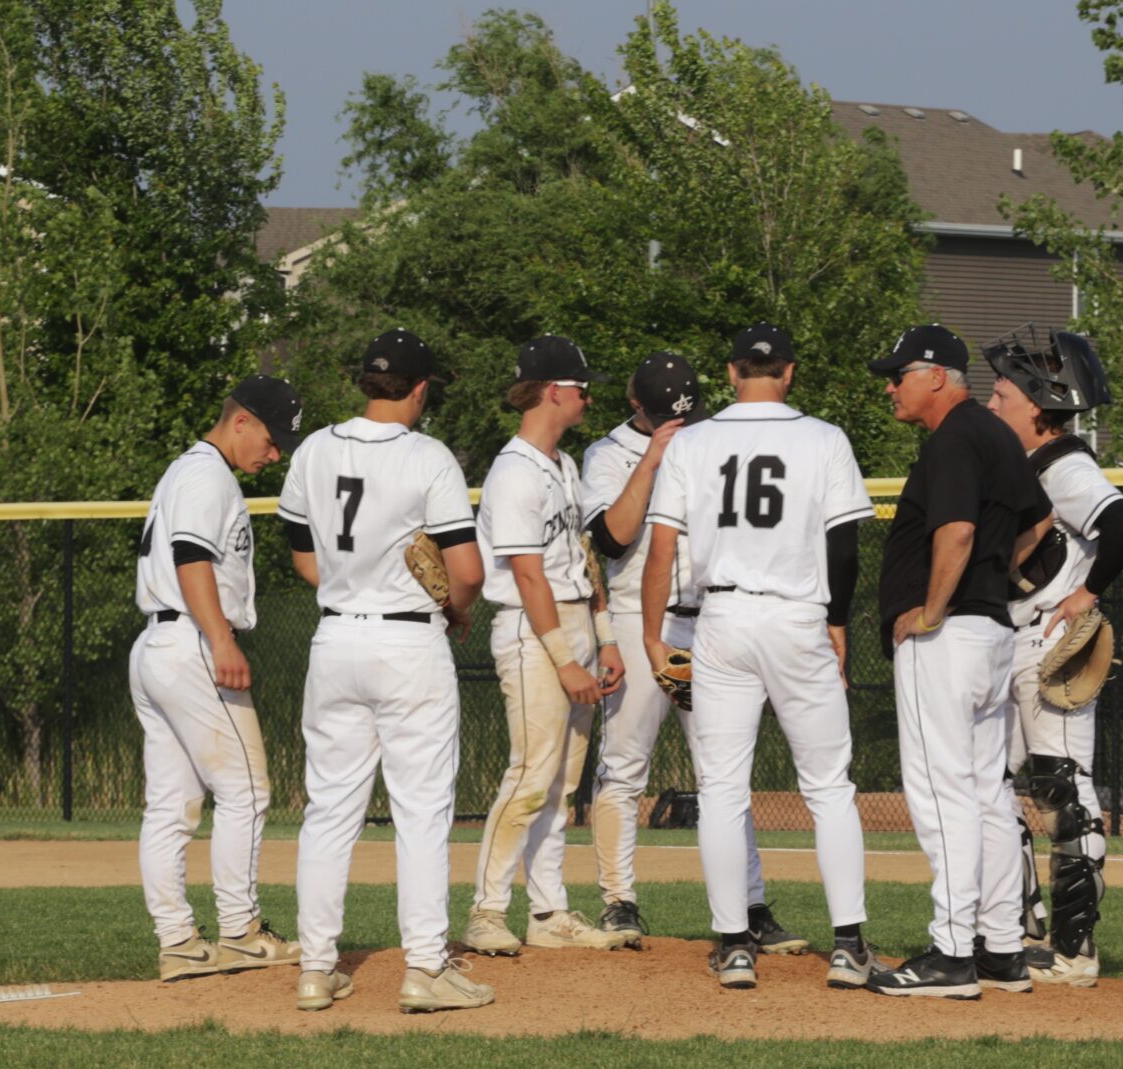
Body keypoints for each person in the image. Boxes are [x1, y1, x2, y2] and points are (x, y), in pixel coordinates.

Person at [641, 322, 876, 990]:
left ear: (731, 371)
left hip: (722, 618)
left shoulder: (695, 440)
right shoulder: (825, 437)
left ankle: (735, 945)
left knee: (721, 786)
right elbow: (846, 547)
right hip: (798, 615)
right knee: (829, 785)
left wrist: (653, 635)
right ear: (791, 372)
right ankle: (850, 945)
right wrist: (836, 623)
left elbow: (661, 550)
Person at [278, 329, 491, 1013]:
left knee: (330, 810)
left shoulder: (314, 449)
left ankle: (315, 968)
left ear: (364, 382)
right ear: (421, 389)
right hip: (408, 644)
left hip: (336, 636)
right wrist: (453, 610)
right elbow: (467, 571)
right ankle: (425, 967)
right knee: (421, 811)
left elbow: (300, 552)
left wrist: (348, 582)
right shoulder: (429, 457)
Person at [867, 324, 1052, 999]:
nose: (890, 386)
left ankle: (951, 951)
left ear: (939, 374)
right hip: (992, 635)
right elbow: (1040, 519)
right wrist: (994, 576)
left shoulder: (951, 438)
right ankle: (1002, 948)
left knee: (942, 791)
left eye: (899, 374)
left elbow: (958, 529)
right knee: (985, 793)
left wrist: (933, 608)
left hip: (946, 642)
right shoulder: (998, 434)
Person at [580, 352, 783, 950]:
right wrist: (653, 459)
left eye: (688, 414)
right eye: (668, 415)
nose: (680, 424)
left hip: (713, 619)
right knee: (624, 767)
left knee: (725, 773)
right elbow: (611, 536)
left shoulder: (715, 441)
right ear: (635, 405)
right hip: (637, 619)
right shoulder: (607, 454)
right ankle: (619, 901)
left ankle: (750, 907)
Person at [982, 327, 1123, 988]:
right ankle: (1022, 927)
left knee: (1064, 793)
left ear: (1036, 406)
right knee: (996, 784)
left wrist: (1087, 592)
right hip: (1012, 641)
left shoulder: (1065, 466)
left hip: (1049, 648)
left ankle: (1075, 953)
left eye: (1000, 395)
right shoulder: (1027, 466)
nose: (991, 405)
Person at [463, 335, 634, 956]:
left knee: (563, 782)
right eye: (583, 389)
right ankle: (485, 911)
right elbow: (528, 573)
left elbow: (583, 559)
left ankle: (548, 910)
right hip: (535, 632)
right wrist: (565, 659)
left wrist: (606, 639)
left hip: (576, 624)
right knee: (531, 775)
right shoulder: (514, 469)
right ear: (555, 391)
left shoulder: (561, 464)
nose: (589, 400)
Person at [131, 375, 304, 983]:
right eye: (272, 438)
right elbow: (191, 557)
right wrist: (222, 639)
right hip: (193, 642)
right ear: (240, 421)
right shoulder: (208, 475)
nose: (275, 452)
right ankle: (242, 931)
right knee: (247, 790)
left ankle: (178, 940)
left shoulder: (187, 470)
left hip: (159, 643)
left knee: (171, 807)